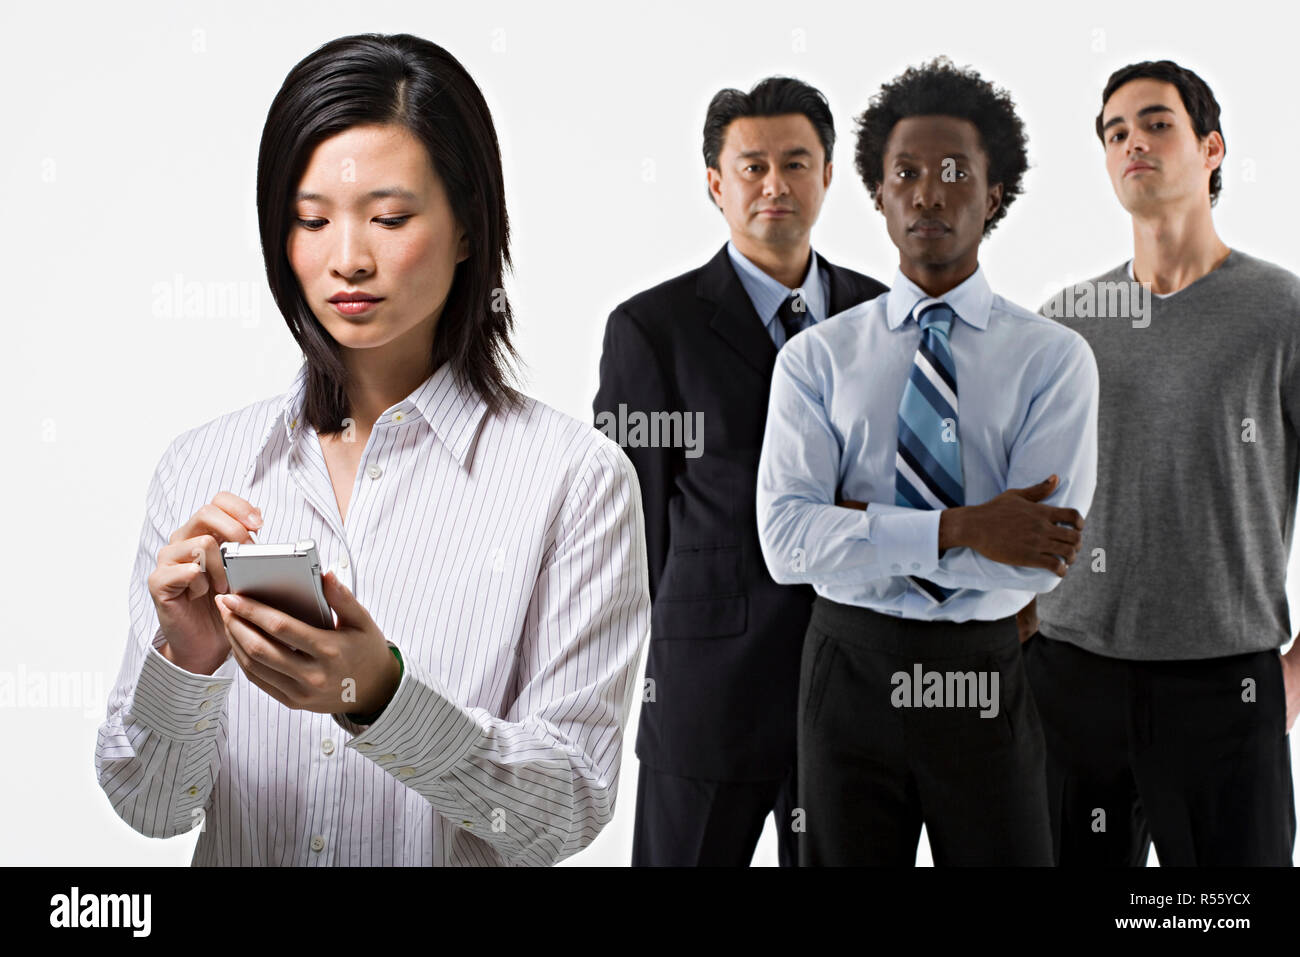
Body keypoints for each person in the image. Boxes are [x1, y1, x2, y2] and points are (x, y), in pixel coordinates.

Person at [94, 33, 650, 867]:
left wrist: (380, 696)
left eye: (390, 218)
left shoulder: (576, 481)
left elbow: (563, 811)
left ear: (469, 228)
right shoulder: (201, 467)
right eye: (311, 220)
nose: (347, 258)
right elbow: (149, 808)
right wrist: (188, 658)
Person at [756, 57, 1098, 865]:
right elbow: (785, 542)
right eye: (904, 172)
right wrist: (962, 527)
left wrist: (867, 532)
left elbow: (1037, 563)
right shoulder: (816, 359)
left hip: (982, 676)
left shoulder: (1054, 359)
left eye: (954, 173)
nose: (928, 193)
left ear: (995, 192)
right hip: (846, 672)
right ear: (877, 193)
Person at [594, 76, 887, 866]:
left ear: (828, 175)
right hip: (709, 690)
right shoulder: (653, 329)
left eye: (797, 162)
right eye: (752, 166)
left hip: (858, 682)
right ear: (716, 184)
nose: (775, 184)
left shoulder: (883, 315)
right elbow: (631, 530)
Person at [1023, 59, 1299, 866]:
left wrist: (1294, 672)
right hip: (1071, 682)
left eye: (1155, 123)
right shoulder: (1066, 323)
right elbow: (1021, 499)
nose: (1132, 141)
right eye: (1115, 132)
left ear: (1212, 149)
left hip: (1227, 691)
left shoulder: (1281, 314)